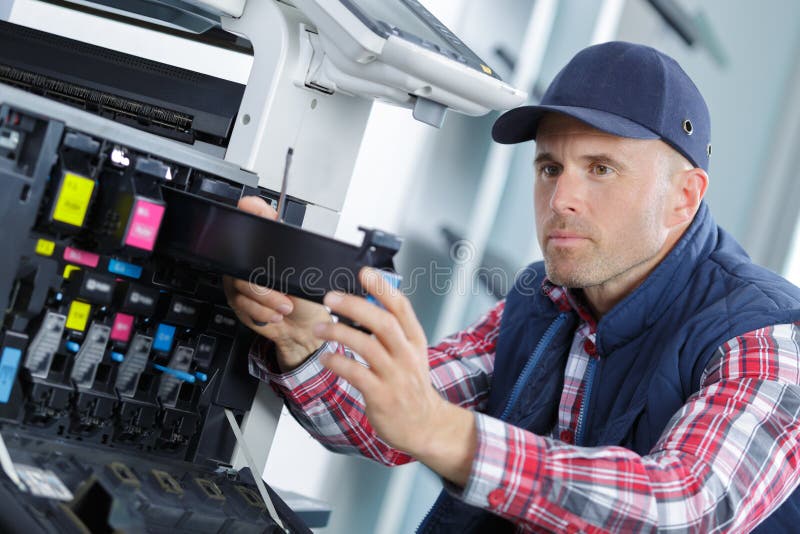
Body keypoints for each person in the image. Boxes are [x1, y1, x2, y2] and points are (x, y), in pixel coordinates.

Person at [224, 41, 800, 532]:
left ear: (684, 196)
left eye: (600, 168)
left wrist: (451, 436)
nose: (561, 200)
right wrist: (302, 341)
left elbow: (686, 508)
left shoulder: (766, 337)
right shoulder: (543, 300)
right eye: (550, 167)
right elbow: (394, 417)